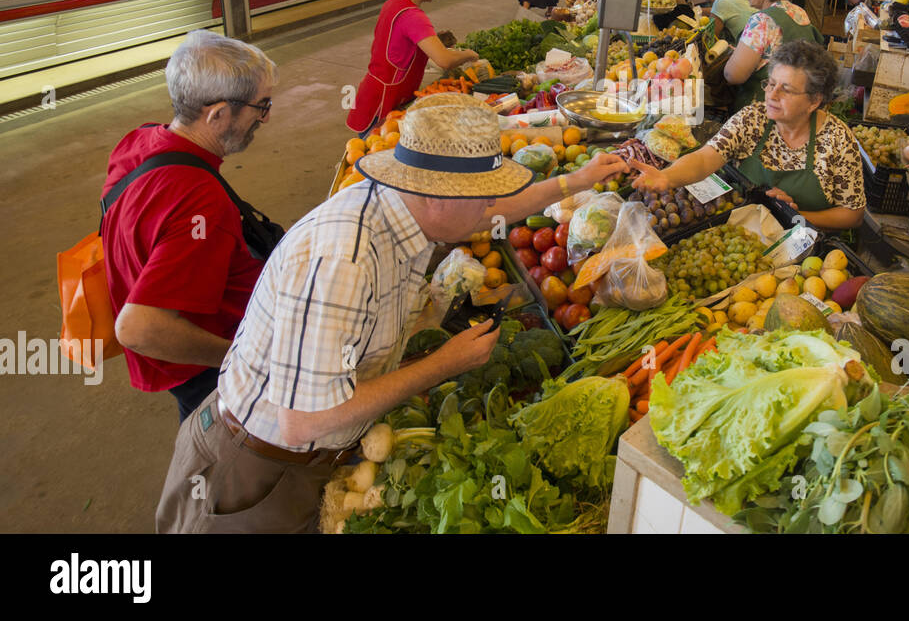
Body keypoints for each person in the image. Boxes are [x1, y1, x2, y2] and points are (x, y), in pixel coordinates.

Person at [155, 103, 630, 533]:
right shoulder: (345, 261)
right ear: (437, 196)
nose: (490, 212)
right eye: (482, 198)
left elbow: (490, 214)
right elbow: (303, 419)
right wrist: (444, 364)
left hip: (299, 456)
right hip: (255, 473)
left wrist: (576, 180)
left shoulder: (400, 205)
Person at [101, 31, 278, 422]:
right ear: (217, 114)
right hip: (206, 371)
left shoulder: (140, 140)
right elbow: (138, 328)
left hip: (177, 362)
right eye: (261, 106)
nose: (265, 117)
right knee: (220, 455)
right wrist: (240, 356)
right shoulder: (200, 203)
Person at [631, 40, 865, 230]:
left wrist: (792, 215)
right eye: (771, 84)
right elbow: (705, 158)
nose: (772, 95)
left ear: (814, 101)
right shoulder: (754, 119)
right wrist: (667, 177)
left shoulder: (837, 141)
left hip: (807, 245)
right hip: (745, 231)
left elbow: (852, 214)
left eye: (786, 89)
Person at [347, 0, 479, 134]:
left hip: (373, 94)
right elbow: (445, 61)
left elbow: (400, 45)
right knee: (371, 152)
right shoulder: (414, 17)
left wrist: (435, 41)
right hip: (385, 104)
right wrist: (468, 54)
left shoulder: (393, 3)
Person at [724, 0, 824, 108]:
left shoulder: (762, 21)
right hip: (794, 103)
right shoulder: (798, 11)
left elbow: (734, 76)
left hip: (764, 108)